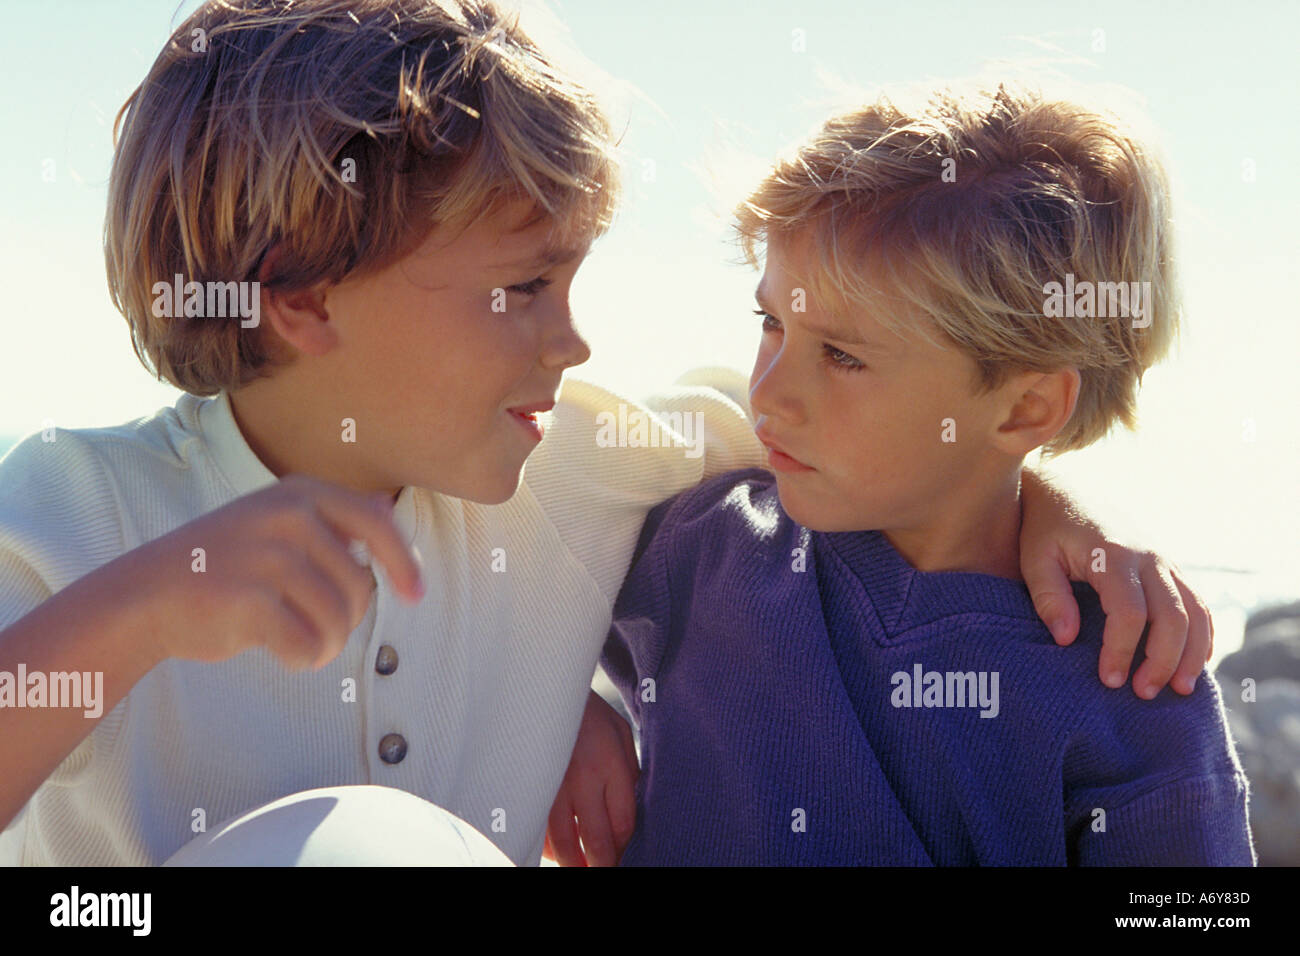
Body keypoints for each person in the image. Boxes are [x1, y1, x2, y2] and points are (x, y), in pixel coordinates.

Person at [0, 2, 1209, 868]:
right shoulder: (81, 504)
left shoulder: (570, 462)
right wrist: (140, 610)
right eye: (524, 287)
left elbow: (885, 439)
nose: (572, 342)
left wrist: (1063, 513)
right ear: (306, 296)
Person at [548, 84, 1253, 866]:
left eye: (843, 356)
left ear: (1024, 409)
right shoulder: (699, 548)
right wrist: (546, 702)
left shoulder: (1132, 682)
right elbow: (472, 514)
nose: (769, 392)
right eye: (771, 324)